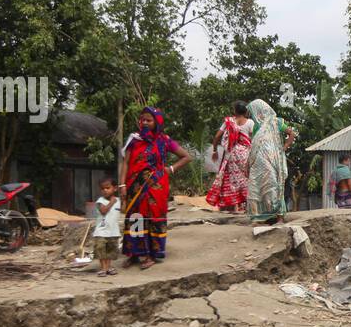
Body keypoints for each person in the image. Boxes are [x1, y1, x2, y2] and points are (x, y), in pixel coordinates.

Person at [120, 106, 190, 269]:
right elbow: (126, 163)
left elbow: (187, 157)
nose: (144, 122)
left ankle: (150, 254)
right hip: (134, 187)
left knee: (152, 218)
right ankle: (135, 253)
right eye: (142, 119)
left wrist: (170, 169)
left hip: (155, 187)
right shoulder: (134, 140)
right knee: (136, 218)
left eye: (148, 120)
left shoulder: (164, 140)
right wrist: (122, 184)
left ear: (156, 122)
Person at [245, 99, 297, 224]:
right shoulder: (257, 125)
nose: (251, 114)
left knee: (273, 187)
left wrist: (284, 148)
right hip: (258, 163)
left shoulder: (276, 121)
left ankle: (279, 217)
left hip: (272, 161)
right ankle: (259, 218)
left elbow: (292, 134)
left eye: (252, 111)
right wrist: (248, 163)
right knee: (256, 188)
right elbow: (254, 144)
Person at [205, 102, 254, 213]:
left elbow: (217, 136)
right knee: (246, 179)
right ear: (246, 112)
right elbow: (254, 137)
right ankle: (247, 208)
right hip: (244, 155)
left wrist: (214, 151)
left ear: (235, 111)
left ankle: (232, 207)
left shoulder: (228, 122)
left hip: (230, 154)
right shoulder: (250, 122)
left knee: (231, 181)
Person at [93, 177, 121, 276]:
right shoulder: (100, 200)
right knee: (101, 250)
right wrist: (111, 203)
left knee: (110, 251)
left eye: (107, 188)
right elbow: (103, 211)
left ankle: (108, 267)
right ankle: (103, 268)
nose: (105, 190)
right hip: (101, 231)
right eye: (102, 188)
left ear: (115, 188)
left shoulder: (118, 200)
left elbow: (123, 209)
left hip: (113, 231)